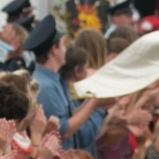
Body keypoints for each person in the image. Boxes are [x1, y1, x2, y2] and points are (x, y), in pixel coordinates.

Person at [26, 16, 102, 149]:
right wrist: (94, 104)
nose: (65, 50)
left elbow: (70, 115)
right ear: (54, 50)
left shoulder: (52, 80)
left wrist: (91, 100)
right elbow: (63, 130)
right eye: (62, 45)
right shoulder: (46, 86)